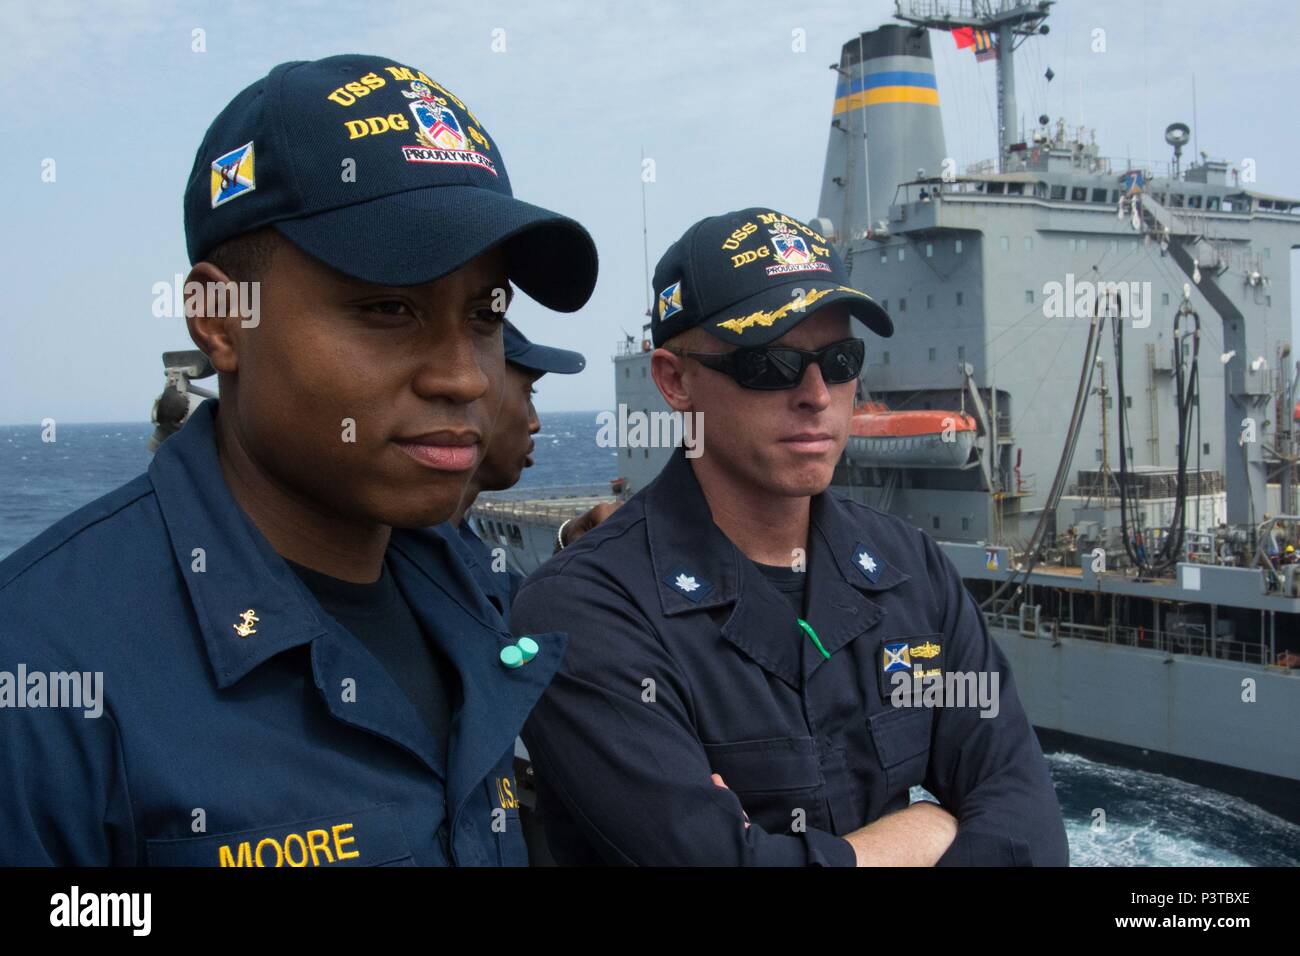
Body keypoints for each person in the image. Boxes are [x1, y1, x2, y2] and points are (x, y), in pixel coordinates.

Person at [0, 54, 597, 866]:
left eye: (486, 315)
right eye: (390, 308)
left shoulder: (458, 582)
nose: (464, 376)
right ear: (219, 320)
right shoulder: (40, 673)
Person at [513, 207, 1069, 866]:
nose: (816, 394)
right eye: (768, 364)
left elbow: (1024, 822)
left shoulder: (910, 569)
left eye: (840, 360)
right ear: (674, 380)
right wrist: (917, 836)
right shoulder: (586, 612)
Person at [439, 320, 587, 619]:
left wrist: (566, 543)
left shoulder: (453, 550)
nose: (535, 423)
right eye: (527, 394)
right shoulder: (428, 566)